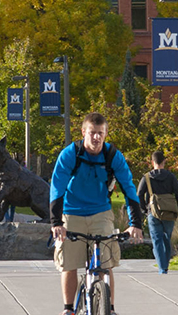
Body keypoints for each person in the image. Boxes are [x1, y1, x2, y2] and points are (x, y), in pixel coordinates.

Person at [50, 112, 144, 315]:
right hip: (71, 212)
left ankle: (108, 308)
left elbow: (129, 188)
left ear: (106, 133)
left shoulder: (113, 156)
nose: (96, 138)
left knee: (106, 262)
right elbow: (57, 188)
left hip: (100, 212)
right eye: (92, 133)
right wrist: (57, 222)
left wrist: (135, 223)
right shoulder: (70, 154)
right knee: (69, 262)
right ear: (83, 132)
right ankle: (68, 309)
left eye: (100, 133)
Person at [136, 150, 178, 273]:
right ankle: (165, 264)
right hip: (169, 212)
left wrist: (144, 209)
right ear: (164, 162)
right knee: (167, 238)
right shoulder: (171, 176)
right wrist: (175, 206)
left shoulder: (147, 177)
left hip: (153, 211)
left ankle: (162, 268)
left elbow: (139, 194)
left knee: (156, 240)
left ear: (152, 162)